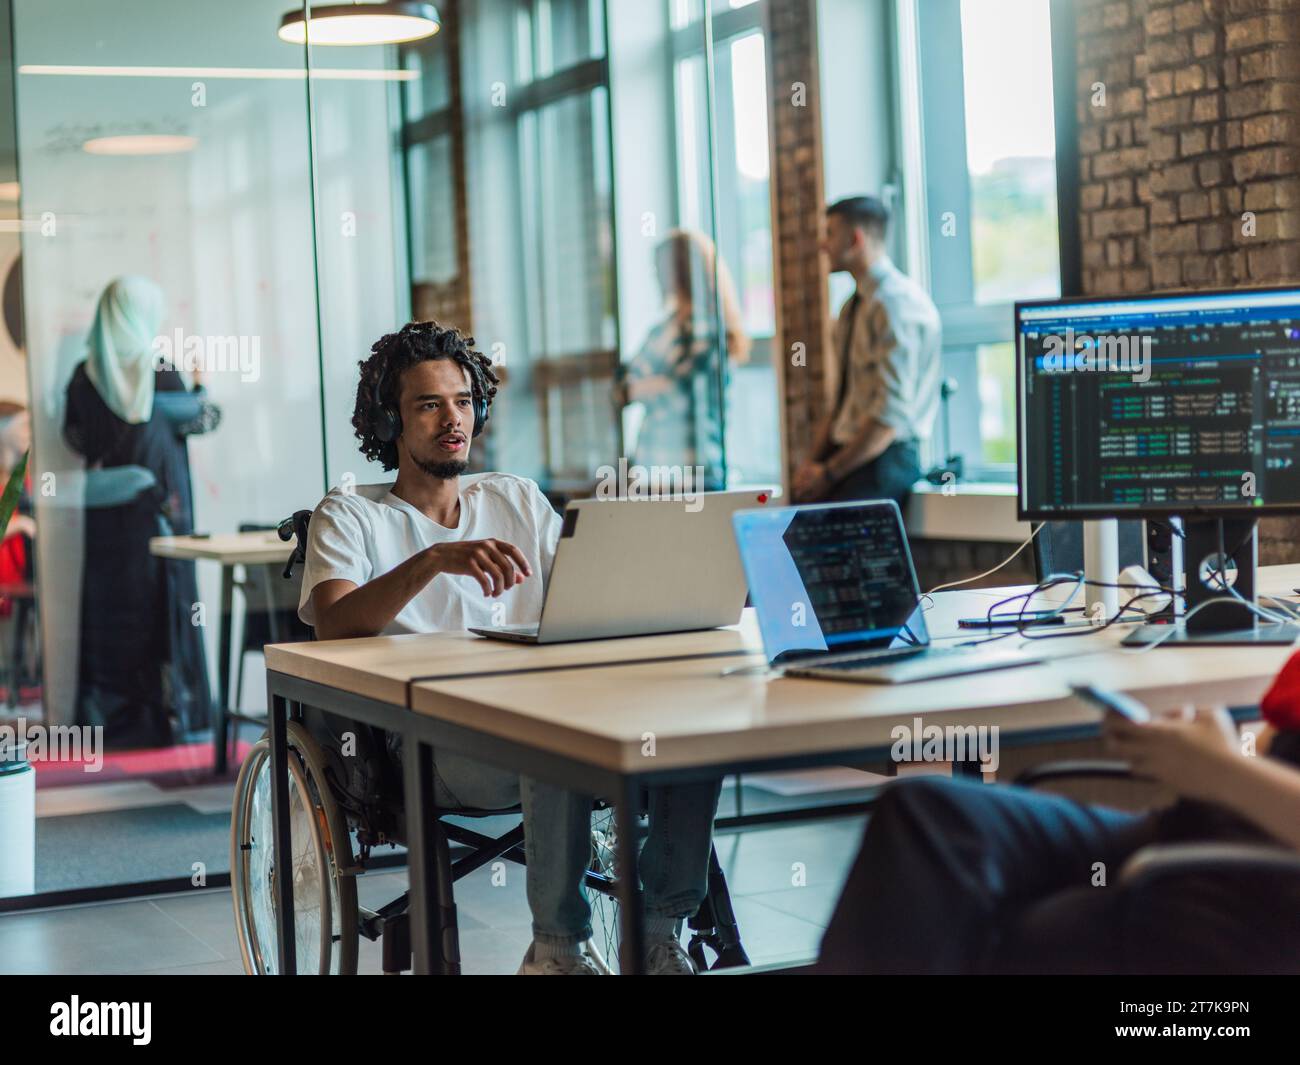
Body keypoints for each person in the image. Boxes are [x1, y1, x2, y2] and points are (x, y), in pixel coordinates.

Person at [299, 319, 722, 974]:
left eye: (464, 401)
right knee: (550, 737)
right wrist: (435, 559)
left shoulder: (515, 498)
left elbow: (585, 594)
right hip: (430, 749)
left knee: (693, 733)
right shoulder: (351, 514)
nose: (453, 419)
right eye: (429, 404)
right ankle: (556, 950)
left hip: (545, 713)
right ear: (389, 423)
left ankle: (661, 932)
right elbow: (332, 623)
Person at [817, 664, 1300, 974]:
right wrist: (1204, 747)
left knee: (1025, 929)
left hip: (1262, 883)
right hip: (1201, 826)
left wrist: (1219, 768)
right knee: (926, 815)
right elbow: (1273, 738)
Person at [63, 277, 221, 749]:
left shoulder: (83, 376)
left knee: (114, 612)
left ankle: (114, 721)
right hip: (160, 517)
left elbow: (79, 441)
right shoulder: (160, 372)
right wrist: (200, 384)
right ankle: (172, 717)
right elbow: (201, 418)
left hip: (110, 518)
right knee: (166, 607)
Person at [792, 196, 941, 506]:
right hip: (848, 458)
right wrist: (813, 465)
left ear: (856, 239)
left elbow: (888, 418)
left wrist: (829, 474)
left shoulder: (896, 305)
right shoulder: (852, 307)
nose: (823, 245)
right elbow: (841, 403)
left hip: (882, 463)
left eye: (830, 233)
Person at [617, 229, 750, 490]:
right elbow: (621, 385)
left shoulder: (711, 331)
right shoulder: (662, 330)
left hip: (698, 472)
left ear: (681, 270)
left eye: (660, 268)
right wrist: (645, 387)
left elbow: (682, 393)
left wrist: (641, 388)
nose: (656, 276)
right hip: (651, 472)